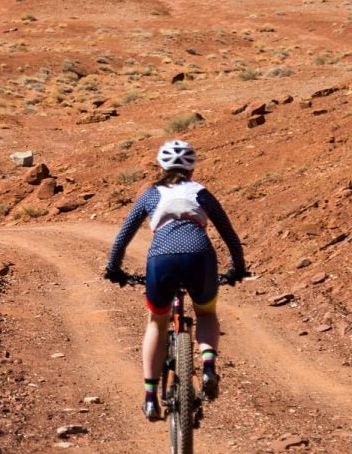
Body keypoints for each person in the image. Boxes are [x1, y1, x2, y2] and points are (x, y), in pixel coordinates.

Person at [102, 138, 246, 421]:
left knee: (157, 321)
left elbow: (123, 236)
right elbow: (229, 234)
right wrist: (238, 268)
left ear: (160, 165)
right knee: (206, 313)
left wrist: (113, 268)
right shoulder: (201, 193)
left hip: (161, 259)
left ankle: (150, 398)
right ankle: (207, 367)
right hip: (200, 257)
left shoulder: (151, 194)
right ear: (192, 167)